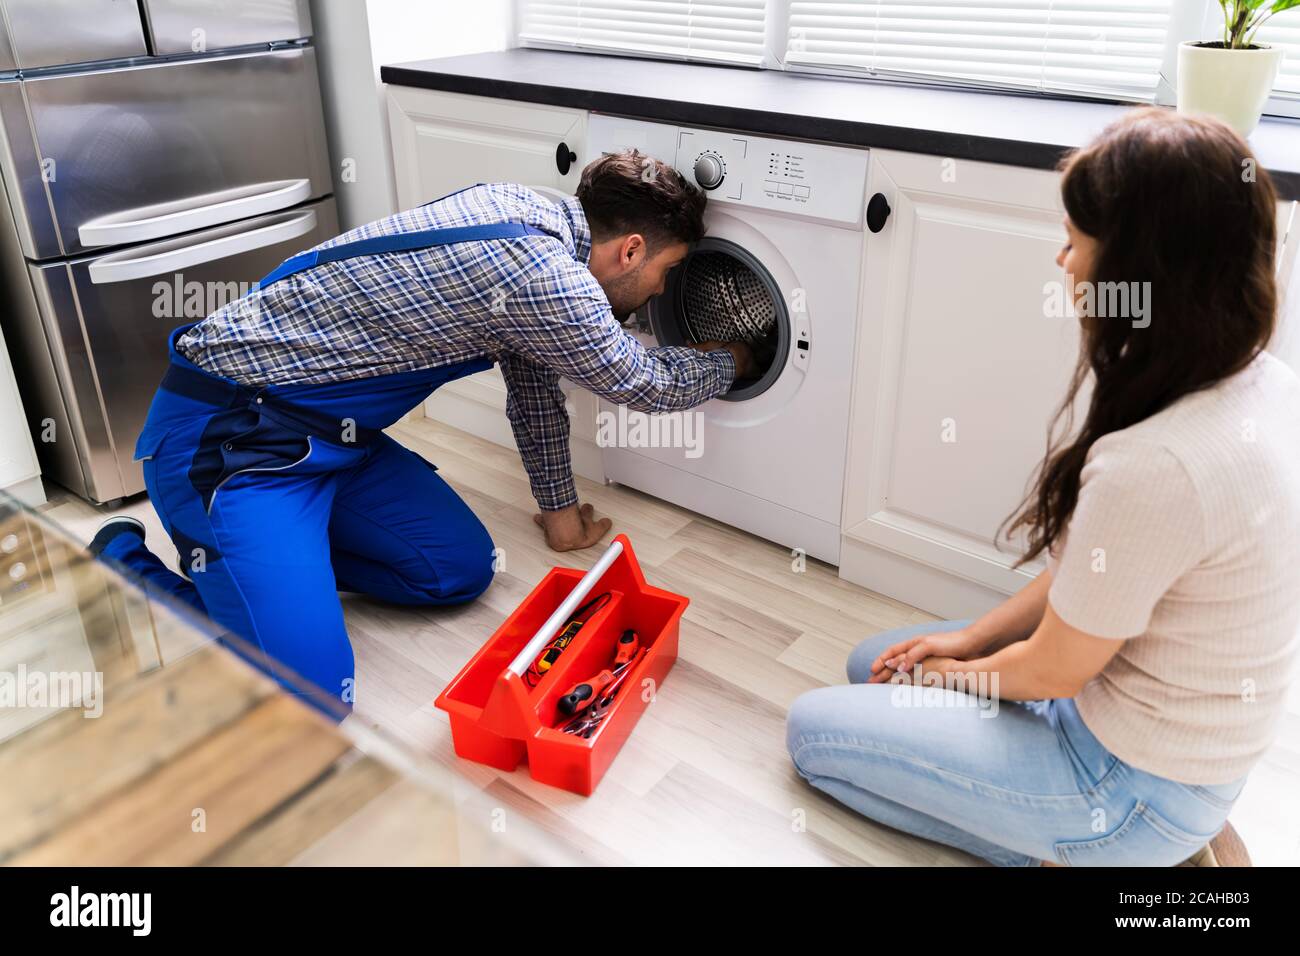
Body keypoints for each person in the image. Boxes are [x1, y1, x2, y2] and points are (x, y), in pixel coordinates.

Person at [786, 108, 1300, 866]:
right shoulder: (1258, 380)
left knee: (813, 733)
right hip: (1170, 742)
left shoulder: (1158, 464)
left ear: (1140, 273)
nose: (1062, 260)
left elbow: (1054, 668)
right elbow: (1092, 580)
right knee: (876, 663)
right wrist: (966, 642)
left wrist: (959, 677)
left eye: (1076, 241)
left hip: (1124, 783)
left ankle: (1091, 853)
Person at [88, 150, 755, 714]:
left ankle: (283, 567)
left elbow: (532, 379)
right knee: (313, 700)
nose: (661, 293)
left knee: (459, 571)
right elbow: (646, 382)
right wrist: (738, 356)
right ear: (630, 248)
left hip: (333, 442)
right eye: (666, 273)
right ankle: (128, 566)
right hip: (229, 446)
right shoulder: (547, 277)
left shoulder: (527, 212)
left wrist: (558, 512)